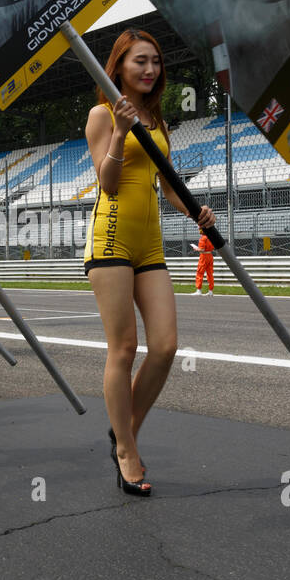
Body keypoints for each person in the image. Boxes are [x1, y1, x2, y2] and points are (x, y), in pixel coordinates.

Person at [83, 29, 214, 497]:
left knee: (165, 347)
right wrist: (120, 130)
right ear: (118, 66)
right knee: (124, 348)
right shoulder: (102, 115)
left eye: (156, 61)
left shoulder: (157, 121)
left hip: (150, 247)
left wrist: (195, 211)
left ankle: (124, 431)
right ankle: (126, 451)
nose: (150, 69)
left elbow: (167, 186)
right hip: (112, 241)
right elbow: (109, 183)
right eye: (140, 61)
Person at [191, 228, 214, 295]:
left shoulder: (203, 238)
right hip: (210, 255)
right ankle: (210, 291)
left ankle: (199, 290)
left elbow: (202, 250)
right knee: (210, 273)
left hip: (204, 256)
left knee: (200, 272)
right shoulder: (211, 237)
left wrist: (196, 249)